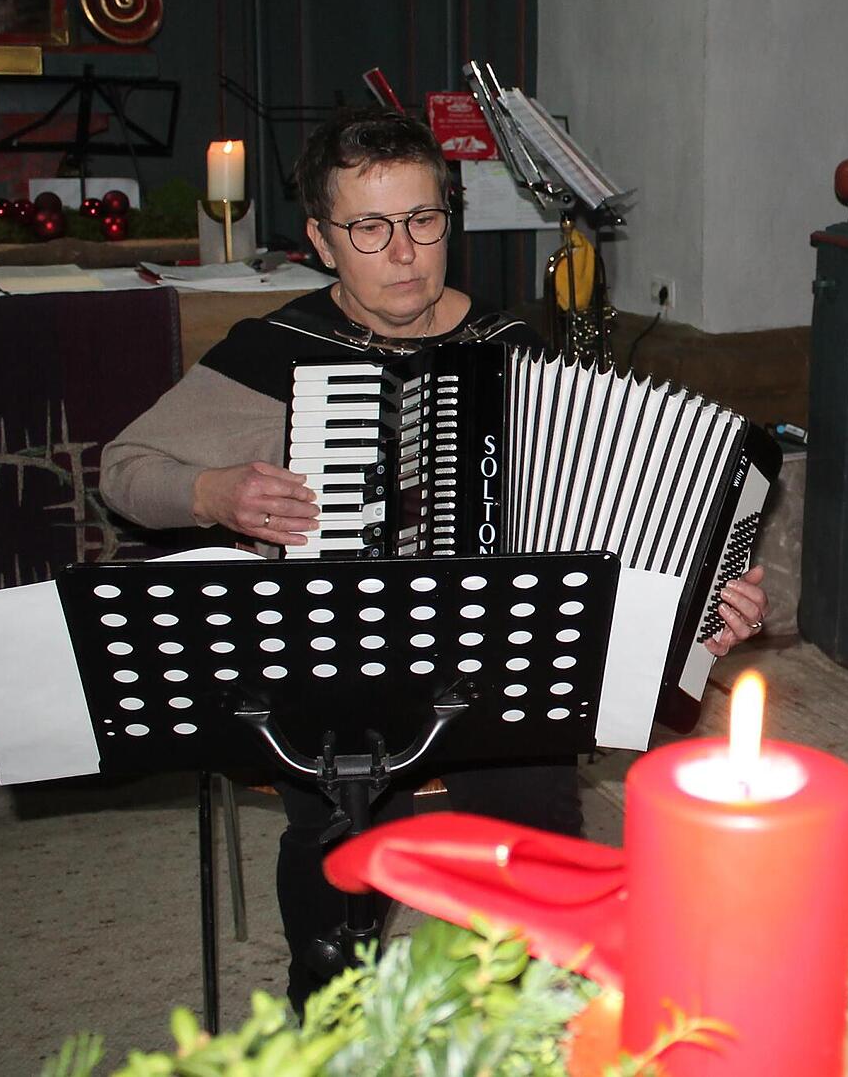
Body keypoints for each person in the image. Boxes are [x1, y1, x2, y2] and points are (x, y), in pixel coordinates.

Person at [102, 107, 768, 1005]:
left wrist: (703, 602)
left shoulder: (517, 353)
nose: (404, 251)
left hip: (500, 672)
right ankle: (329, 1018)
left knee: (542, 860)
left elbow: (607, 542)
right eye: (370, 229)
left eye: (422, 221)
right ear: (321, 240)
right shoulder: (278, 354)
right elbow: (124, 470)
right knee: (335, 855)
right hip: (342, 663)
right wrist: (213, 492)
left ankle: (526, 1030)